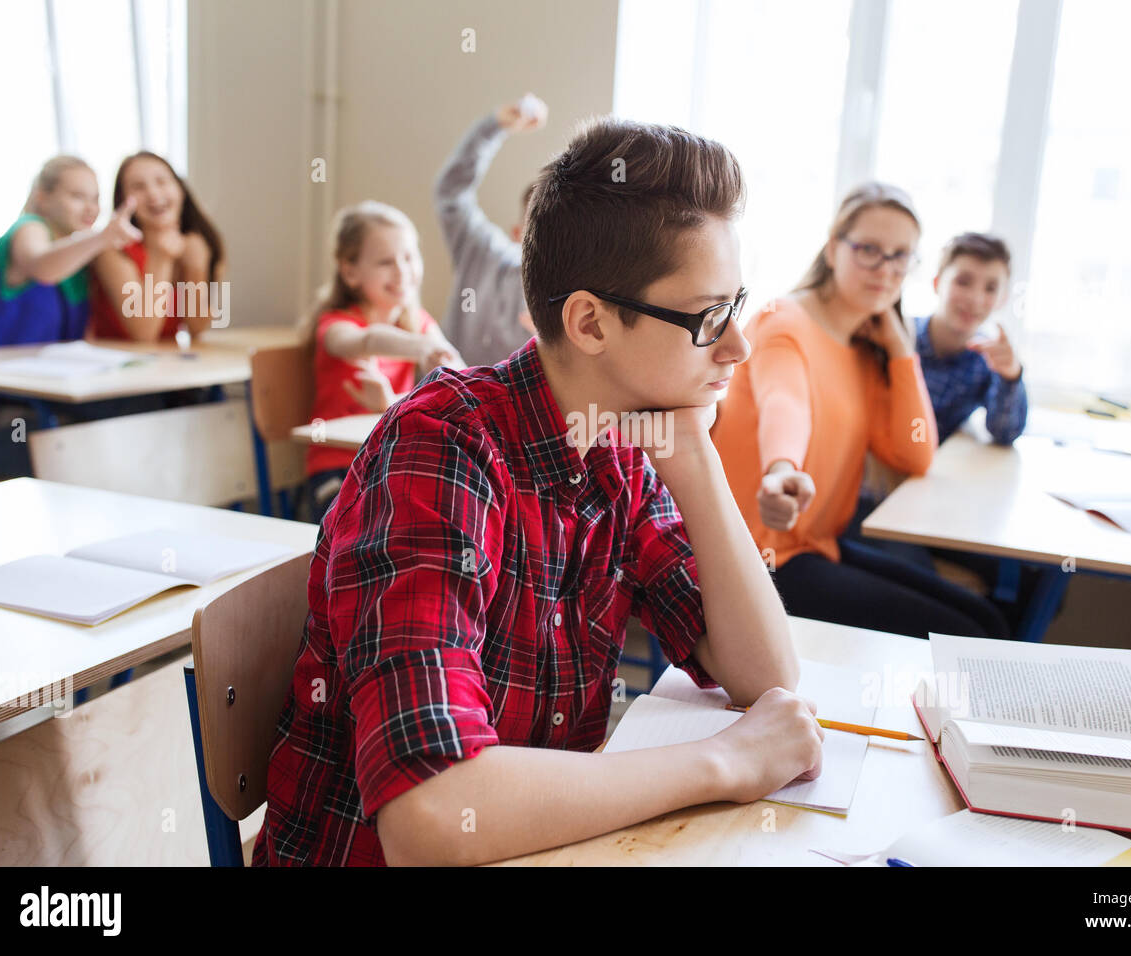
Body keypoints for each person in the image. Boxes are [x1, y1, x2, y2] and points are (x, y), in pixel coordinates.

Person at [254, 118, 822, 866]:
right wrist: (725, 762)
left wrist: (694, 457)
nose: (738, 346)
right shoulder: (441, 450)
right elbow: (433, 813)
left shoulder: (620, 446)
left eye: (737, 306)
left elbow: (765, 678)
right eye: (707, 316)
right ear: (589, 322)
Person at [713, 183, 1010, 640]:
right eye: (869, 249)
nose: (885, 269)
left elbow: (916, 455)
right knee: (972, 637)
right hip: (754, 558)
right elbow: (786, 402)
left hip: (813, 547)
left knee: (988, 620)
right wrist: (781, 469)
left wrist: (900, 351)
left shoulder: (864, 347)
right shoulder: (784, 321)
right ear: (834, 249)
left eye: (900, 256)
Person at [302, 201, 463, 524]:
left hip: (390, 463)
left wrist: (391, 402)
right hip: (337, 470)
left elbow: (459, 377)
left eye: (408, 257)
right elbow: (366, 340)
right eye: (386, 262)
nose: (402, 271)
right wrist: (424, 347)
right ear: (350, 271)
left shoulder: (417, 322)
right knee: (382, 525)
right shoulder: (335, 325)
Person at [0, 156, 138, 348]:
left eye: (95, 199)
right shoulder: (30, 227)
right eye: (77, 196)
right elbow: (41, 266)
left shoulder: (77, 260)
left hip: (35, 373)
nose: (91, 208)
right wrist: (102, 238)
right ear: (42, 198)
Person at [433, 93, 545, 367]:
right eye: (539, 226)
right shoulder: (482, 252)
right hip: (442, 397)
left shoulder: (569, 301)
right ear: (518, 233)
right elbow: (451, 193)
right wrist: (493, 127)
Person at [88, 151, 226, 342]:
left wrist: (196, 269)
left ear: (180, 189)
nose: (153, 193)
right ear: (123, 199)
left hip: (167, 363)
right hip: (117, 363)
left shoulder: (202, 243)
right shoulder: (112, 251)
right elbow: (144, 334)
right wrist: (161, 258)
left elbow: (197, 328)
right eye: (138, 187)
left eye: (162, 181)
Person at [916, 232, 1026, 444]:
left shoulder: (986, 361)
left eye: (990, 288)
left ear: (1002, 299)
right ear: (937, 283)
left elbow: (1006, 433)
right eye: (963, 282)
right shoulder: (900, 335)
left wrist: (1011, 376)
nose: (975, 299)